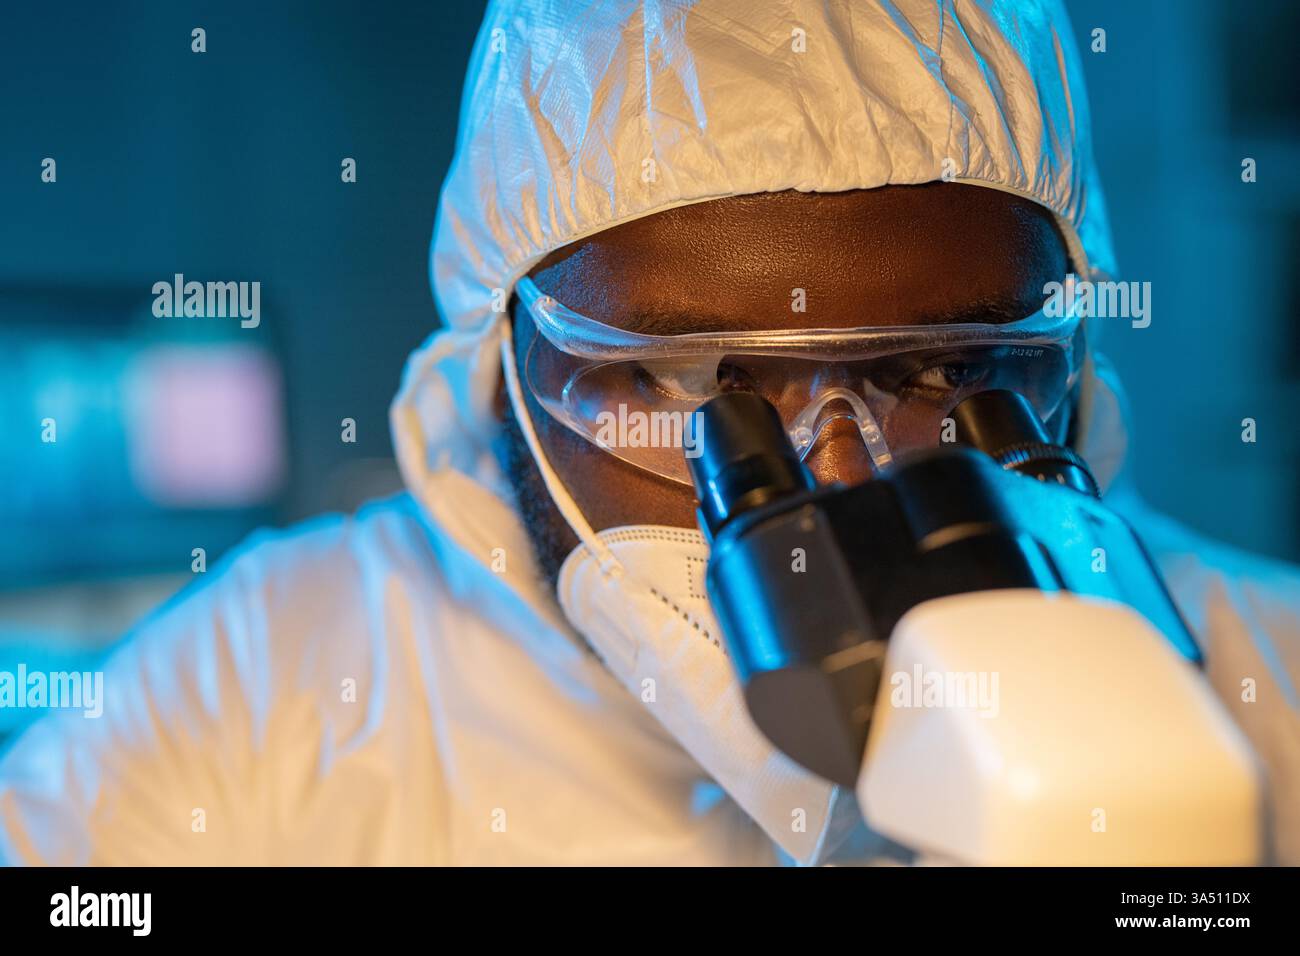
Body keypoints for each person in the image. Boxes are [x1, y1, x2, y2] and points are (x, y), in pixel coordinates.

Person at [2, 0, 1297, 866]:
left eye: (949, 369)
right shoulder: (245, 699)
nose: (837, 475)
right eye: (690, 388)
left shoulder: (1272, 681)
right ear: (497, 368)